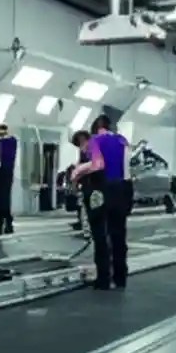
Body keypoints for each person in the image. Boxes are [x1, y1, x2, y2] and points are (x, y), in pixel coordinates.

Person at [70, 115, 132, 290]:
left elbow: (97, 164)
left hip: (99, 190)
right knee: (119, 235)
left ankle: (103, 279)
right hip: (121, 189)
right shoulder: (122, 141)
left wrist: (77, 172)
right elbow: (127, 170)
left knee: (100, 235)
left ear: (94, 128)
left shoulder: (94, 141)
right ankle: (121, 278)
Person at [0, 124, 17, 236]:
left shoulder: (7, 142)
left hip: (3, 173)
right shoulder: (9, 142)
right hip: (3, 173)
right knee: (3, 200)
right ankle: (5, 225)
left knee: (3, 200)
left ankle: (5, 225)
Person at [69, 130, 91, 233]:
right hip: (85, 182)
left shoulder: (89, 151)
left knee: (86, 207)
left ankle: (87, 228)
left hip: (90, 181)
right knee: (84, 206)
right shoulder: (82, 151)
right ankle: (86, 228)